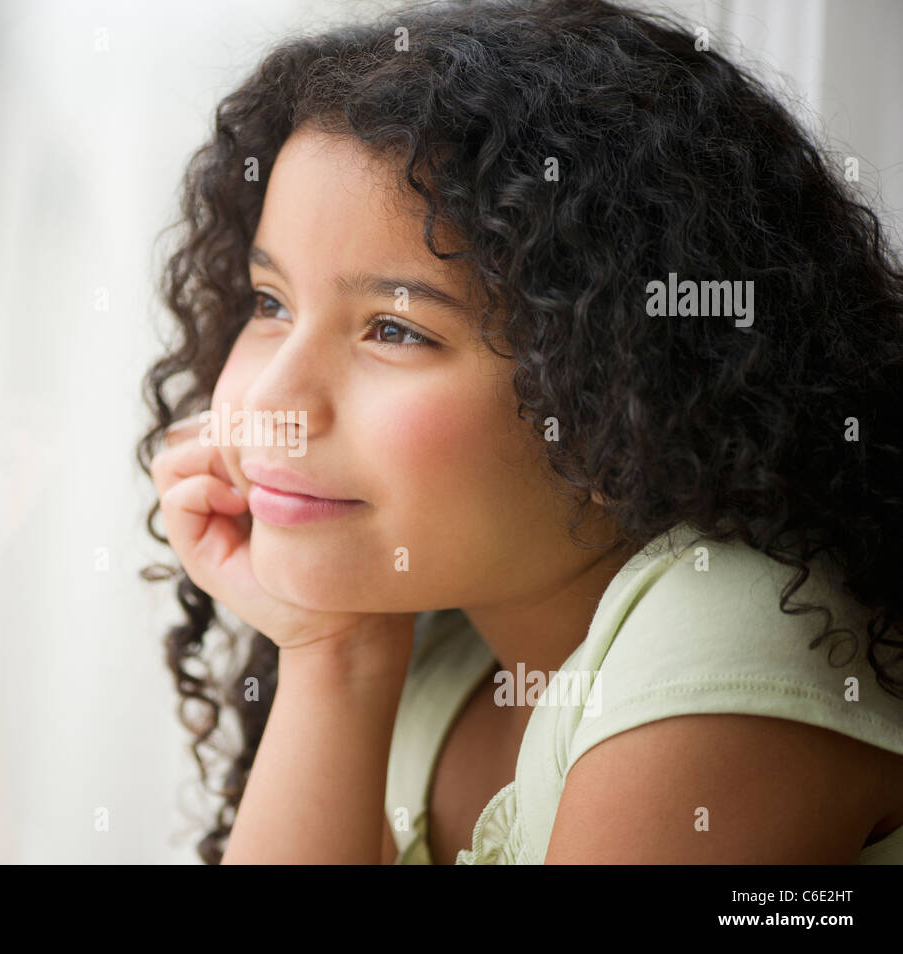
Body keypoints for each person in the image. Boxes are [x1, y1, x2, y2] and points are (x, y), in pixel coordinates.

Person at [139, 0, 903, 864]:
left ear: (623, 378)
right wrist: (336, 655)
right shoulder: (432, 642)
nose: (274, 399)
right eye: (271, 304)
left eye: (395, 329)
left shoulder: (724, 633)